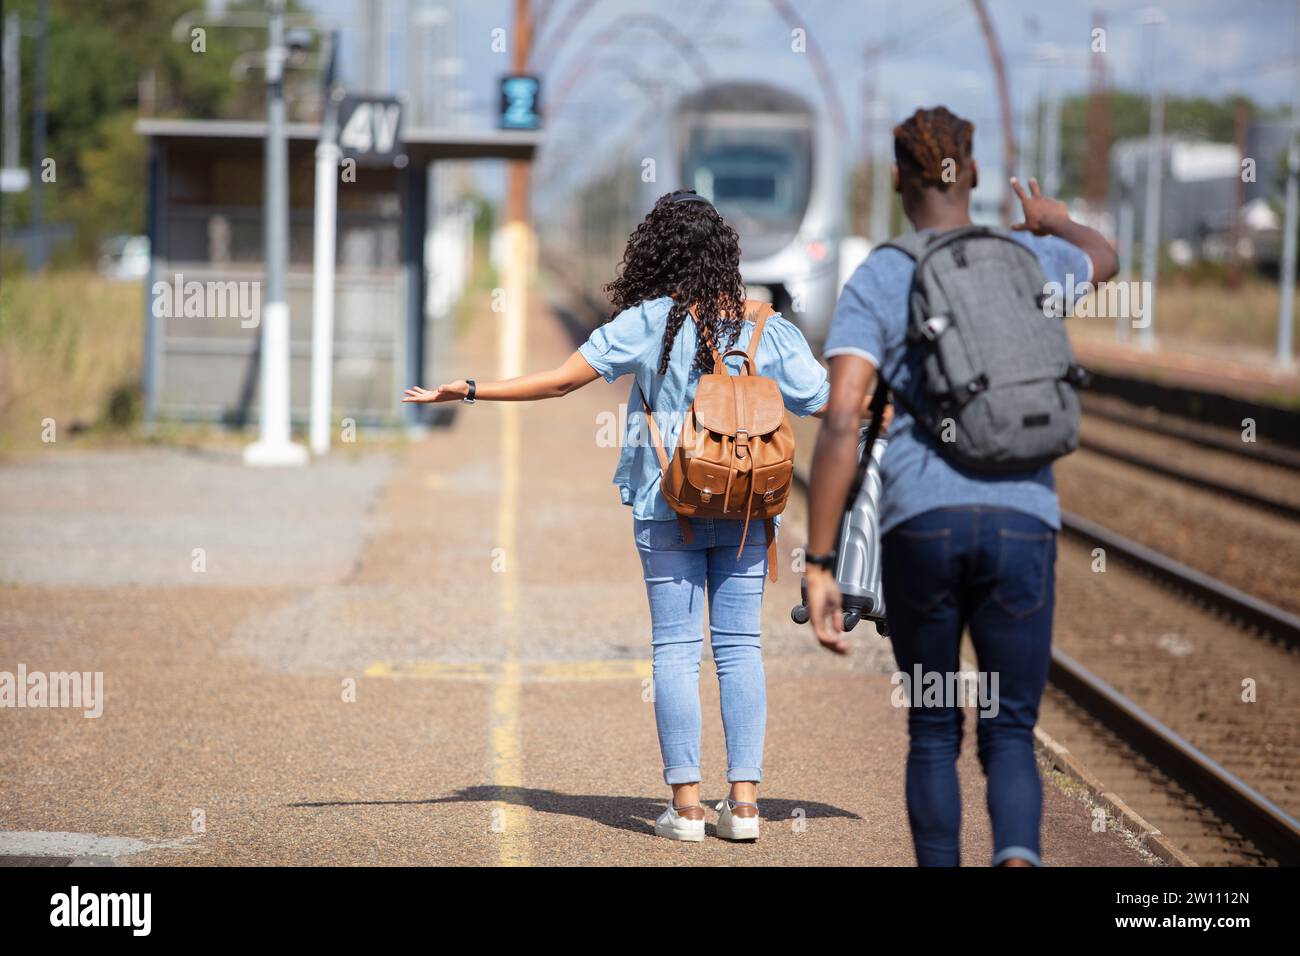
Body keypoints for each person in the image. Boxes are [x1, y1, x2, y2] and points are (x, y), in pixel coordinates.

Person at [404, 189, 837, 842]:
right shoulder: (763, 326)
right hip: (749, 512)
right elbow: (830, 402)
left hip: (669, 507)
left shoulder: (648, 323)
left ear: (657, 255)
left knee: (675, 650)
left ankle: (686, 808)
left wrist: (468, 388)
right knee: (740, 649)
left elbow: (558, 382)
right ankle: (744, 807)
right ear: (725, 257)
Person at [805, 106, 1118, 867]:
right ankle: (1016, 856)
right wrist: (1054, 221)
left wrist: (818, 563)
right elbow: (1105, 259)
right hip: (1024, 519)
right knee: (1010, 728)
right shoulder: (1027, 259)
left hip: (924, 524)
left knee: (935, 727)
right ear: (974, 173)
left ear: (895, 179)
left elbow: (843, 415)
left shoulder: (882, 272)